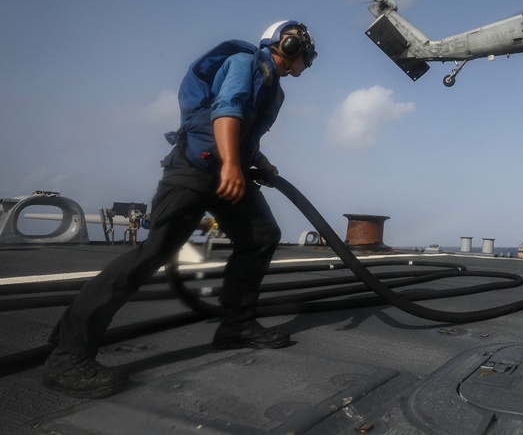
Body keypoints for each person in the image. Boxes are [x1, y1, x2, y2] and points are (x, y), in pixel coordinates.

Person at [43, 21, 319, 398]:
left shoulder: (275, 89)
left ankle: (236, 326)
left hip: (227, 171)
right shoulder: (245, 63)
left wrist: (259, 161)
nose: (308, 61)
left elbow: (246, 132)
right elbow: (226, 110)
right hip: (195, 170)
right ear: (287, 44)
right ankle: (67, 356)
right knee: (153, 253)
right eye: (306, 53)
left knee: (261, 236)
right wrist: (231, 165)